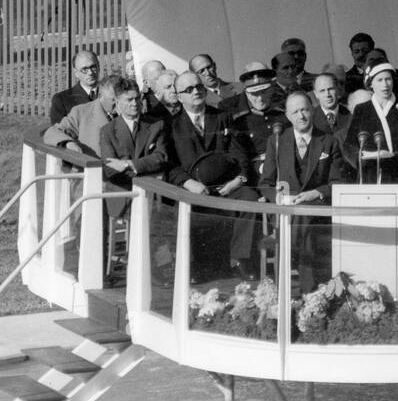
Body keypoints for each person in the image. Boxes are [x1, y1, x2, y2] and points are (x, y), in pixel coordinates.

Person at [166, 70, 259, 275]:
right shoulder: (171, 125)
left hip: (228, 185)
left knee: (250, 198)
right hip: (193, 188)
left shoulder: (223, 117)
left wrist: (239, 179)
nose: (196, 92)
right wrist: (188, 183)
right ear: (179, 96)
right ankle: (194, 267)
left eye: (199, 87)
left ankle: (242, 261)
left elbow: (240, 153)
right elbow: (169, 165)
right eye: (188, 90)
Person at [259, 90, 350, 290]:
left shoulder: (328, 141)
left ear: (312, 110)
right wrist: (281, 198)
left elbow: (339, 182)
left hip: (317, 209)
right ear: (288, 116)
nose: (301, 116)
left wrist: (316, 193)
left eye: (305, 110)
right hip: (286, 210)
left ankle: (282, 287)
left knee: (305, 219)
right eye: (296, 112)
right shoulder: (276, 142)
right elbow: (265, 183)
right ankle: (309, 293)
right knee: (304, 228)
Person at [345, 61, 398, 188]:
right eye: (379, 80)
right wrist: (361, 158)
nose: (385, 84)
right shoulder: (361, 110)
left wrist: (394, 156)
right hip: (369, 177)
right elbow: (349, 145)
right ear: (370, 83)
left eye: (388, 79)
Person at [99, 79, 169, 187]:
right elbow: (110, 168)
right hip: (121, 192)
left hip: (150, 191)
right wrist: (146, 168)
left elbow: (160, 157)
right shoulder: (107, 131)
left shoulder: (157, 125)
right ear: (118, 102)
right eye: (129, 100)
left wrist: (127, 164)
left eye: (137, 98)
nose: (135, 103)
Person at [225, 64, 286, 184]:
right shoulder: (240, 122)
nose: (260, 98)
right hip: (257, 178)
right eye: (254, 94)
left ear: (272, 89)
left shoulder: (284, 115)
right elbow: (241, 159)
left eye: (264, 92)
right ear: (247, 94)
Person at [44, 74, 118, 156]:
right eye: (113, 100)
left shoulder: (130, 111)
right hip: (93, 166)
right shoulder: (81, 112)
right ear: (100, 95)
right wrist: (69, 143)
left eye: (122, 99)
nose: (119, 104)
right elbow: (53, 132)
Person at [49, 50, 101, 124]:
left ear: (98, 67)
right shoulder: (62, 100)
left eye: (93, 67)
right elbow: (58, 132)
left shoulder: (111, 93)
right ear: (76, 72)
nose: (90, 72)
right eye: (84, 69)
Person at [310, 72, 351, 141]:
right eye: (322, 91)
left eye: (330, 89)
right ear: (316, 94)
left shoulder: (350, 115)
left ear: (337, 89)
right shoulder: (310, 118)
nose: (327, 94)